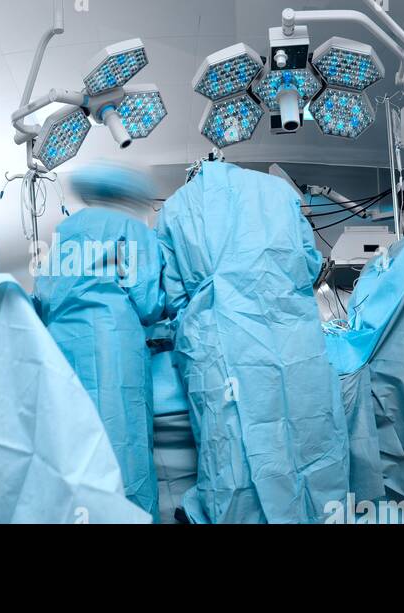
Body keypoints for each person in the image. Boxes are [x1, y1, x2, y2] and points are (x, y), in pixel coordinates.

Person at [157, 161, 348, 524]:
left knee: (231, 453)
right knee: (311, 437)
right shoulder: (278, 193)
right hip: (292, 335)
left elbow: (169, 296)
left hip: (217, 340)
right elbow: (308, 265)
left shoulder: (175, 209)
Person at [35, 162, 165, 520]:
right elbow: (149, 300)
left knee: (75, 444)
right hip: (112, 339)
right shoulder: (131, 228)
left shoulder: (62, 233)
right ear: (126, 197)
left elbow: (43, 299)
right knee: (122, 444)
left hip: (62, 344)